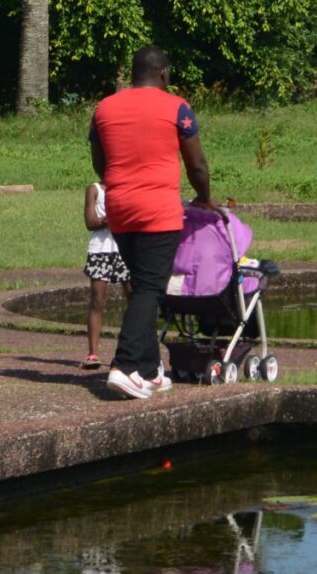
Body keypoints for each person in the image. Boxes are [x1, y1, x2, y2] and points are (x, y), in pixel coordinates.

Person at [91, 46, 214, 401]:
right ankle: (125, 366)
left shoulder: (104, 108)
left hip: (119, 208)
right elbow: (197, 165)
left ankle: (149, 370)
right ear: (163, 73)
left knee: (142, 284)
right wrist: (204, 196)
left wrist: (122, 182)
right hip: (158, 208)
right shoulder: (177, 107)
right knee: (149, 288)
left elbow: (100, 162)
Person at [81, 179, 129, 369]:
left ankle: (127, 351)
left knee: (134, 299)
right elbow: (90, 222)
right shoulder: (94, 189)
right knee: (97, 300)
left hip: (124, 247)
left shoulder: (126, 186)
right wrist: (110, 220)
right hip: (100, 249)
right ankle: (92, 354)